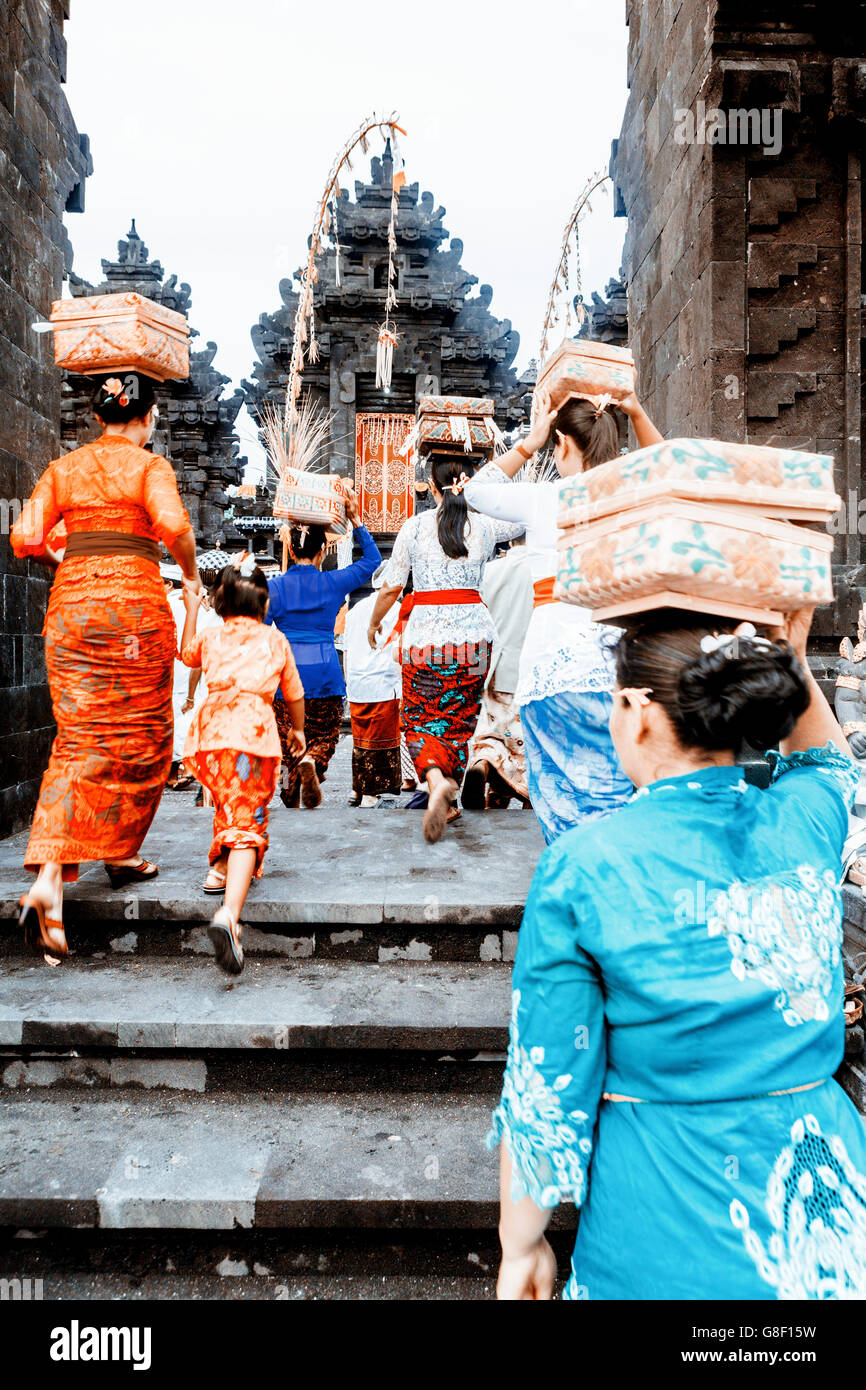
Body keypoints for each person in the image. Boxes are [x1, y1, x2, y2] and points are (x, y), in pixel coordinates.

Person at [490, 607, 866, 1300]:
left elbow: (547, 1084)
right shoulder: (804, 817)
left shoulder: (585, 866)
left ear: (635, 710)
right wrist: (793, 656)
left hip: (663, 1221)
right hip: (830, 1223)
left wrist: (522, 1243)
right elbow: (830, 762)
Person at [12, 373, 200, 961]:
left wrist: (67, 555)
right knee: (143, 736)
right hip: (133, 618)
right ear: (149, 418)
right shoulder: (149, 468)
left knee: (80, 737)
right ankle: (115, 850)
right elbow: (172, 526)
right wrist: (191, 578)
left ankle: (55, 875)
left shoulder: (63, 469)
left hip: (72, 611)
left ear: (97, 418)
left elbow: (24, 535)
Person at [463, 385, 662, 844]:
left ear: (564, 444)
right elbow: (668, 469)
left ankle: (572, 873)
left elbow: (476, 491)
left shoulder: (543, 498)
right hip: (617, 672)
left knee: (561, 801)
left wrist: (530, 441)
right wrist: (635, 410)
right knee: (614, 797)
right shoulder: (629, 498)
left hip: (549, 668)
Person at [367, 452, 523, 843]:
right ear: (467, 484)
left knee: (420, 721)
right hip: (473, 644)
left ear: (430, 487)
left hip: (424, 644)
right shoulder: (485, 528)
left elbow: (391, 585)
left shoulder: (415, 527)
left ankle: (436, 781)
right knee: (458, 722)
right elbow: (521, 518)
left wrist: (374, 622)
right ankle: (446, 795)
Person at [179, 555, 305, 974]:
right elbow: (295, 694)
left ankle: (220, 867)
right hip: (251, 733)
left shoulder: (212, 637)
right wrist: (299, 732)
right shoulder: (275, 641)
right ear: (264, 605)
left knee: (227, 802)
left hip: (211, 734)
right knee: (248, 822)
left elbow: (186, 654)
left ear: (222, 602)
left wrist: (191, 606)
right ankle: (229, 916)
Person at [266, 485, 379, 809]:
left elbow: (259, 632)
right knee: (325, 734)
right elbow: (372, 560)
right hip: (326, 672)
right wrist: (356, 519)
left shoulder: (274, 587)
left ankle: (293, 779)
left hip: (286, 678)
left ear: (290, 545)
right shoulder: (333, 582)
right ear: (321, 552)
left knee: (288, 736)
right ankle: (313, 761)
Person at [463, 539, 533, 810]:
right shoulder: (548, 570)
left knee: (495, 730)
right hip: (533, 664)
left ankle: (484, 763)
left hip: (497, 666)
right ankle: (524, 792)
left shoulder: (490, 571)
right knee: (525, 738)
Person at [344, 563, 403, 806]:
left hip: (358, 681)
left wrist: (349, 680)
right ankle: (369, 795)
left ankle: (357, 789)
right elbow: (399, 650)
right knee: (378, 742)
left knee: (361, 740)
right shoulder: (396, 609)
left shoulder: (356, 609)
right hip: (383, 681)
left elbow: (346, 648)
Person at [167, 578, 222, 788]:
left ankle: (183, 768)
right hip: (185, 673)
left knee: (185, 722)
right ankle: (182, 768)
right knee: (186, 722)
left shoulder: (206, 614)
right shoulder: (205, 614)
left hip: (185, 674)